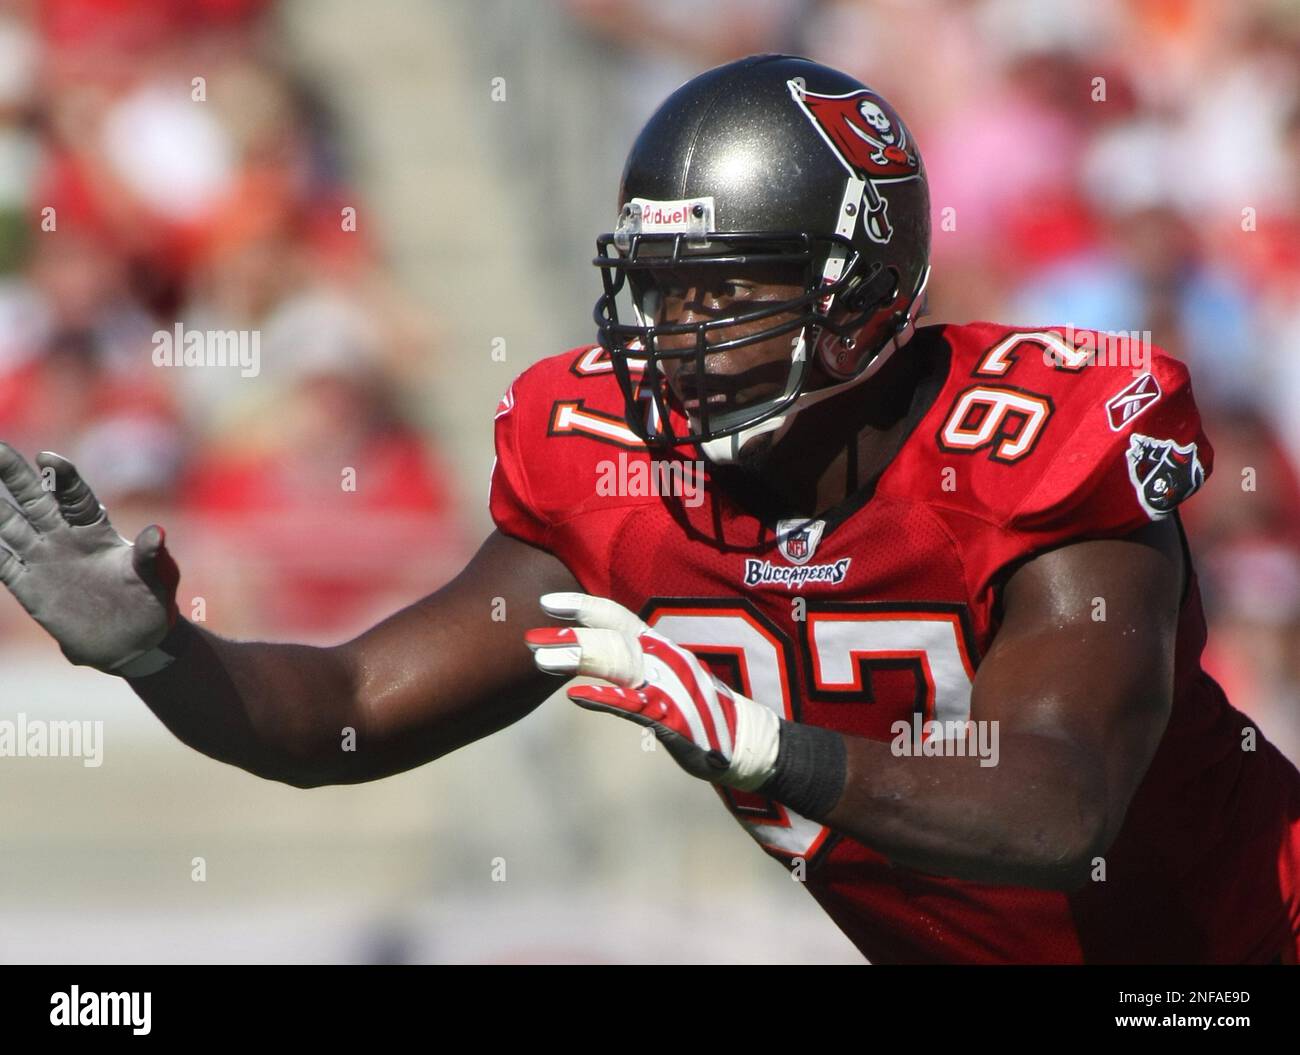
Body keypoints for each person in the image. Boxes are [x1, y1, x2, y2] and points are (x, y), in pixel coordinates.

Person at [1, 54, 1296, 965]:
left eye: (722, 294)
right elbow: (338, 715)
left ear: (859, 302)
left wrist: (762, 743)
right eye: (658, 293)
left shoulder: (1033, 447)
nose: (672, 342)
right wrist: (160, 654)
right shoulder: (619, 476)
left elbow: (1060, 807)